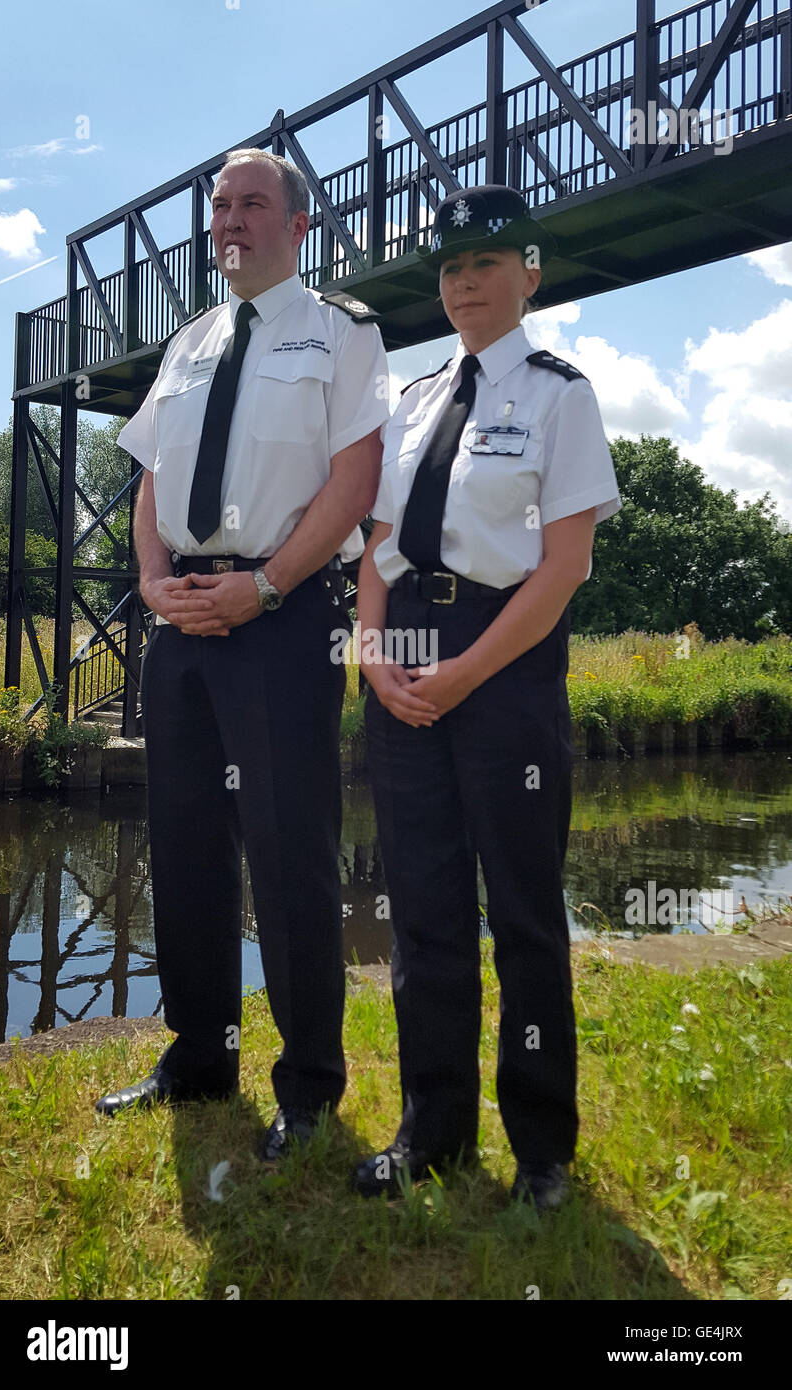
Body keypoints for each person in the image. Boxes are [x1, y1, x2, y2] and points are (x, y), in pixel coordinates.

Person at [96, 149, 389, 1163]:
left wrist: (261, 587)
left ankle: (308, 1084)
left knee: (288, 850)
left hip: (280, 610)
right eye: (219, 204)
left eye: (251, 203)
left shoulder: (341, 332)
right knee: (181, 847)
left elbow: (353, 480)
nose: (229, 218)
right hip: (181, 621)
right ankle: (199, 1053)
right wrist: (151, 579)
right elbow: (149, 479)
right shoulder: (186, 342)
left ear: (296, 225)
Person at [352, 185, 621, 1209]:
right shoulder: (414, 401)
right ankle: (432, 1132)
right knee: (421, 908)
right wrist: (372, 657)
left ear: (530, 271)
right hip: (402, 648)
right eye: (451, 268)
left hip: (502, 655)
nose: (464, 283)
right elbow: (378, 545)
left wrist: (465, 672)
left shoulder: (561, 394)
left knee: (520, 911)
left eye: (485, 264)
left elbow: (560, 568)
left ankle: (541, 1150)